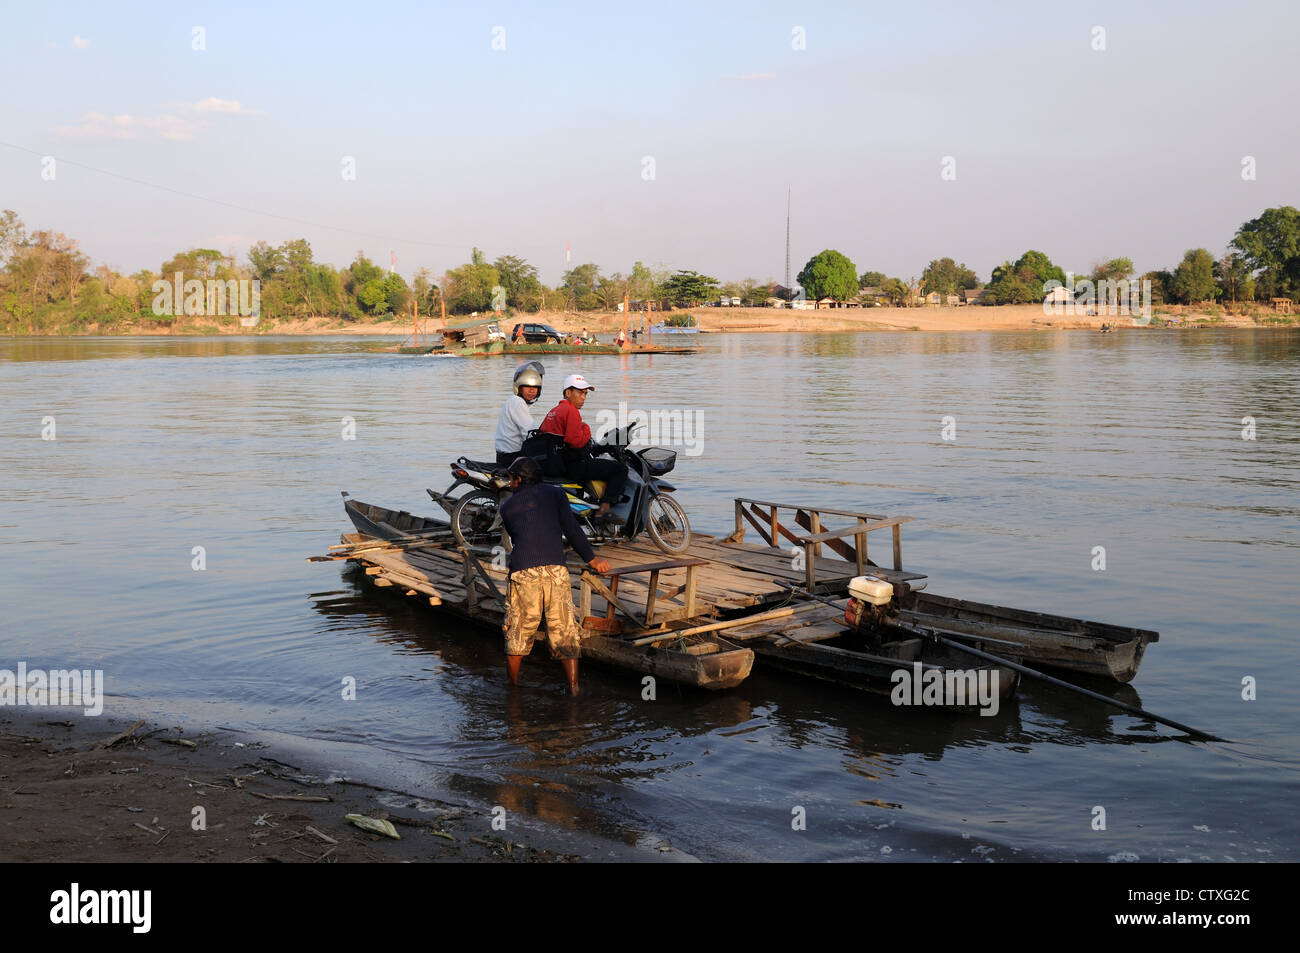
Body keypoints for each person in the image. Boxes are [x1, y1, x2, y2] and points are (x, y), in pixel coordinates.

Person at [499, 457, 610, 695]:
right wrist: (592, 559)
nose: (509, 482)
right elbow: (571, 528)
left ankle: (512, 689)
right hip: (555, 570)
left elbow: (518, 535)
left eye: (511, 478)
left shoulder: (507, 506)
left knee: (518, 630)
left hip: (523, 571)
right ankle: (574, 689)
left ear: (519, 479)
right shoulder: (556, 494)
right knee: (564, 630)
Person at [535, 374, 628, 519]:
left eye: (585, 393)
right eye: (580, 392)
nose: (583, 397)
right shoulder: (571, 411)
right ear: (568, 392)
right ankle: (604, 509)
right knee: (620, 469)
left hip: (557, 463)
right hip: (572, 466)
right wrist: (587, 429)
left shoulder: (553, 411)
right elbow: (574, 441)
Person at [494, 362, 544, 467]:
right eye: (527, 387)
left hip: (504, 455)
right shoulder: (517, 402)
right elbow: (529, 432)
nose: (531, 391)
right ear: (519, 388)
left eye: (535, 388)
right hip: (512, 458)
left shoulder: (513, 401)